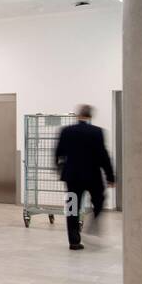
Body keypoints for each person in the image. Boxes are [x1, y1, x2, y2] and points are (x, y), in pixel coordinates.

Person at [54, 104, 115, 250]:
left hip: (72, 177)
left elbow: (58, 153)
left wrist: (61, 170)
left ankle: (74, 241)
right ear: (90, 116)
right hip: (92, 176)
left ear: (78, 115)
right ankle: (91, 226)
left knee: (72, 208)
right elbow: (103, 156)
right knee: (99, 202)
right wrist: (110, 176)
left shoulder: (66, 131)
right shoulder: (97, 132)